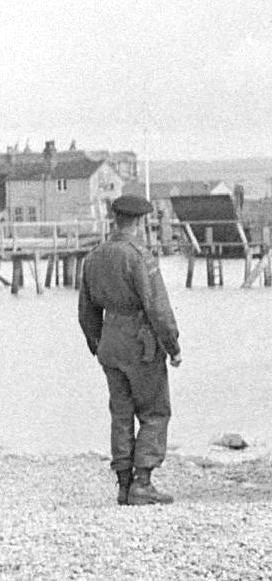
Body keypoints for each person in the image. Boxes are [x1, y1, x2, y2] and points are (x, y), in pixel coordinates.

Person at [77, 194, 182, 506]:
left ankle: (123, 484)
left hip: (110, 342)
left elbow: (86, 311)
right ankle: (143, 482)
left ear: (115, 219)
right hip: (141, 342)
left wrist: (97, 344)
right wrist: (172, 345)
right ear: (141, 221)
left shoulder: (94, 257)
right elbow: (157, 307)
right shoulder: (140, 256)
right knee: (154, 411)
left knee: (120, 413)